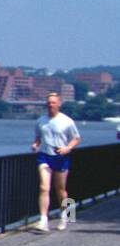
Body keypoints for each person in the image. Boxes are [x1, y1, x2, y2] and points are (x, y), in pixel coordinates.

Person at [30, 92, 81, 232]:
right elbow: (38, 137)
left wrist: (68, 148)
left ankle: (65, 215)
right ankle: (43, 220)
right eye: (48, 102)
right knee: (44, 187)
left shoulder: (67, 121)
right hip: (44, 156)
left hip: (60, 157)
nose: (50, 105)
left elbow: (77, 138)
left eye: (53, 102)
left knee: (61, 190)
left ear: (59, 104)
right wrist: (35, 145)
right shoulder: (41, 120)